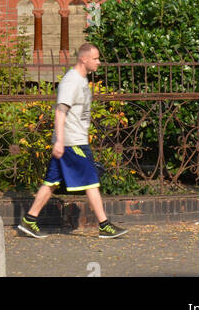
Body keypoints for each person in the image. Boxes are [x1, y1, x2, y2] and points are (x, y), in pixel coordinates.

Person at [18, 41, 127, 239]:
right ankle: (104, 225)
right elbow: (61, 112)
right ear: (83, 58)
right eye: (95, 58)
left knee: (51, 182)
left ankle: (29, 220)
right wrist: (59, 141)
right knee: (91, 181)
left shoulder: (82, 81)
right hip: (71, 142)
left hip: (73, 140)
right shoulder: (71, 81)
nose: (99, 62)